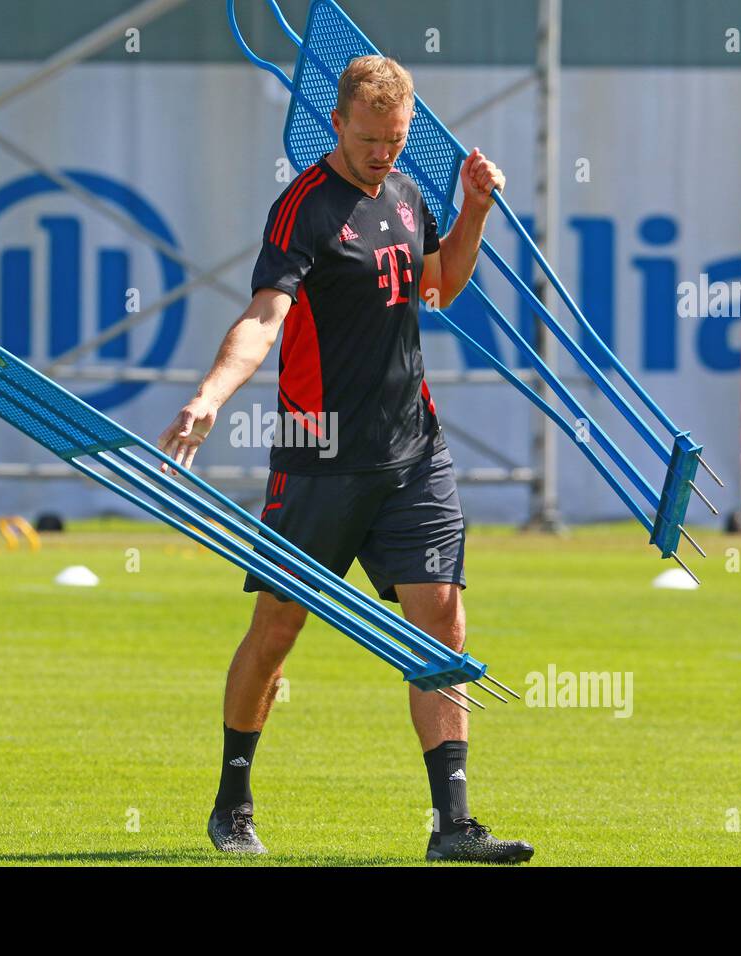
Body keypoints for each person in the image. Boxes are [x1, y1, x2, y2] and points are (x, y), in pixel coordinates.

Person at [158, 55, 534, 864]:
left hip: (412, 447)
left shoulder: (406, 194)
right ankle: (232, 801)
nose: (382, 154)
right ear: (336, 125)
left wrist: (471, 211)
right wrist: (212, 396)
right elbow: (263, 317)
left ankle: (453, 826)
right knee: (278, 627)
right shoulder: (303, 209)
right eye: (368, 139)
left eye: (395, 139)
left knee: (440, 618)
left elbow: (440, 286)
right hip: (317, 448)